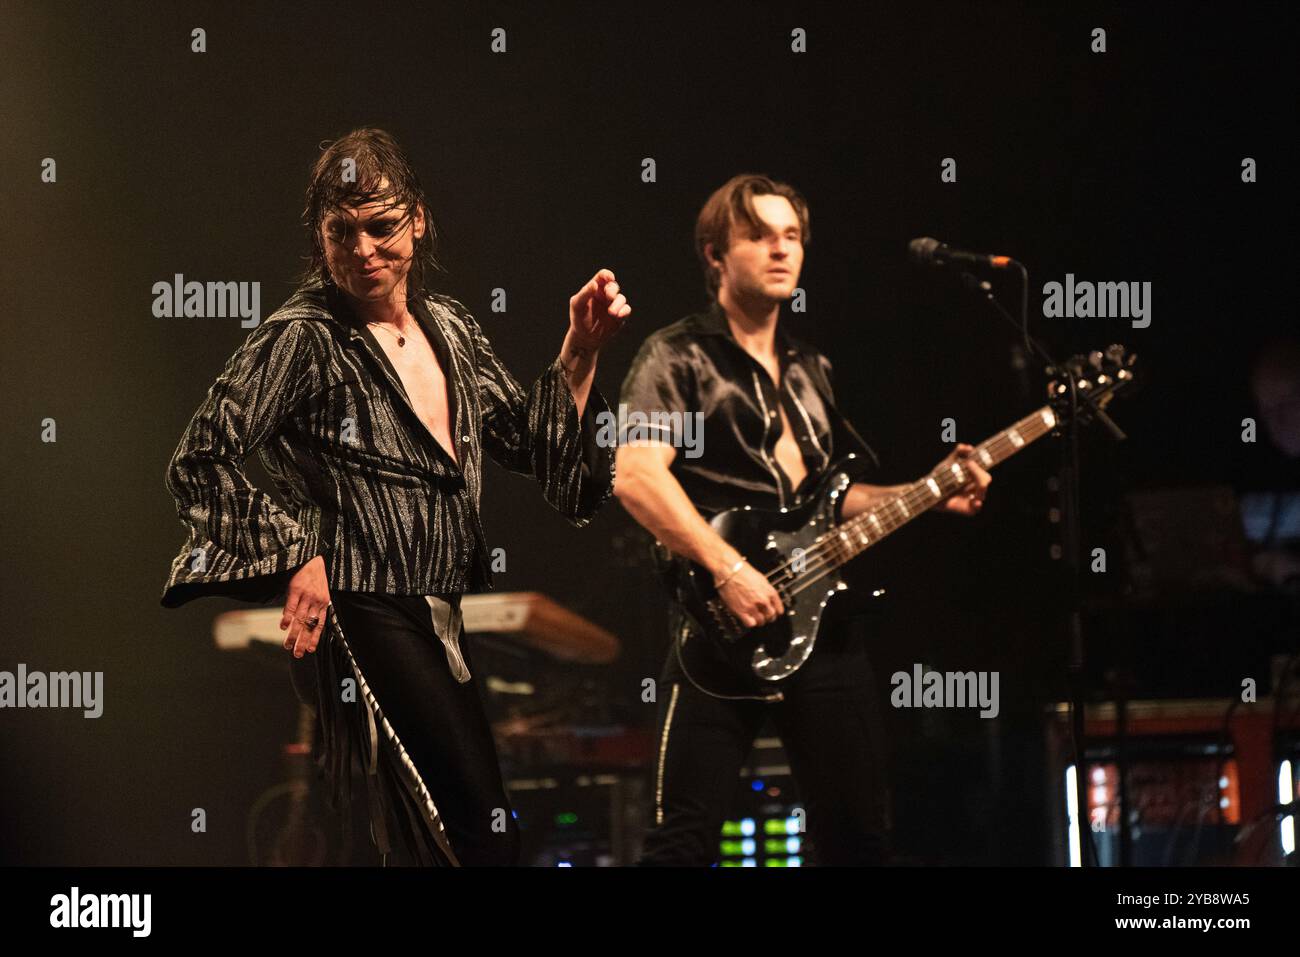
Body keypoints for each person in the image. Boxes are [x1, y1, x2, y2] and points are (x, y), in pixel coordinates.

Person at [160, 128, 630, 865]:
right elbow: (197, 462)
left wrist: (579, 353)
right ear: (319, 238)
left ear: (419, 221)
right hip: (359, 605)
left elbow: (556, 473)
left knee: (445, 834)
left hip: (437, 611)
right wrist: (297, 553)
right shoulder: (302, 336)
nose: (363, 251)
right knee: (473, 824)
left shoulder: (451, 329)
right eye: (340, 233)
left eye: (381, 228)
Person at [614, 173, 990, 865]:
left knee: (858, 840)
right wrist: (727, 568)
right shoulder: (678, 355)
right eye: (758, 235)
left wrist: (930, 489)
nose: (780, 249)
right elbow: (635, 475)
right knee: (682, 844)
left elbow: (830, 499)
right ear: (714, 255)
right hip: (716, 625)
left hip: (821, 624)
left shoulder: (811, 367)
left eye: (791, 236)